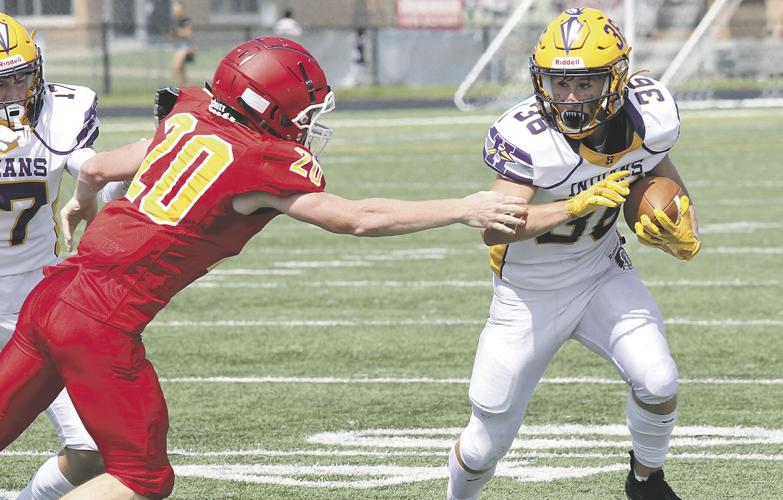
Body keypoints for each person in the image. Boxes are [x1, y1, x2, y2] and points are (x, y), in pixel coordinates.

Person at [0, 37, 527, 499]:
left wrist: (85, 201)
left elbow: (95, 167)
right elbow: (357, 219)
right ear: (271, 108)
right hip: (98, 324)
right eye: (304, 114)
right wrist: (464, 207)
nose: (308, 125)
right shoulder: (260, 161)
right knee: (142, 477)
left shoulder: (189, 110)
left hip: (51, 294)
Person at [447, 7, 701, 500]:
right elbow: (496, 231)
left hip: (601, 271)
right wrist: (575, 204)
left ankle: (646, 481)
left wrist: (680, 219)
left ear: (616, 78)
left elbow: (656, 164)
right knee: (483, 446)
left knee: (659, 379)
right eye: (558, 82)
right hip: (528, 295)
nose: (568, 97)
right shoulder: (529, 138)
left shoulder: (650, 116)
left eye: (584, 84)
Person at [0, 12, 138, 499]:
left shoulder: (58, 114)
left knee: (90, 450)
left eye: (21, 77)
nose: (16, 93)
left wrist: (171, 140)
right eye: (2, 84)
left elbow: (95, 168)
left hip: (34, 309)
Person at [170, 1, 194, 88]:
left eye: (177, 7)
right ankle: (185, 89)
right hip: (178, 46)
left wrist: (178, 32)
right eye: (174, 7)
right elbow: (173, 37)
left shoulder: (185, 20)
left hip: (185, 47)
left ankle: (181, 88)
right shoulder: (175, 21)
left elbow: (188, 33)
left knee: (175, 68)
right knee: (181, 69)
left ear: (182, 8)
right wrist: (173, 35)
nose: (175, 9)